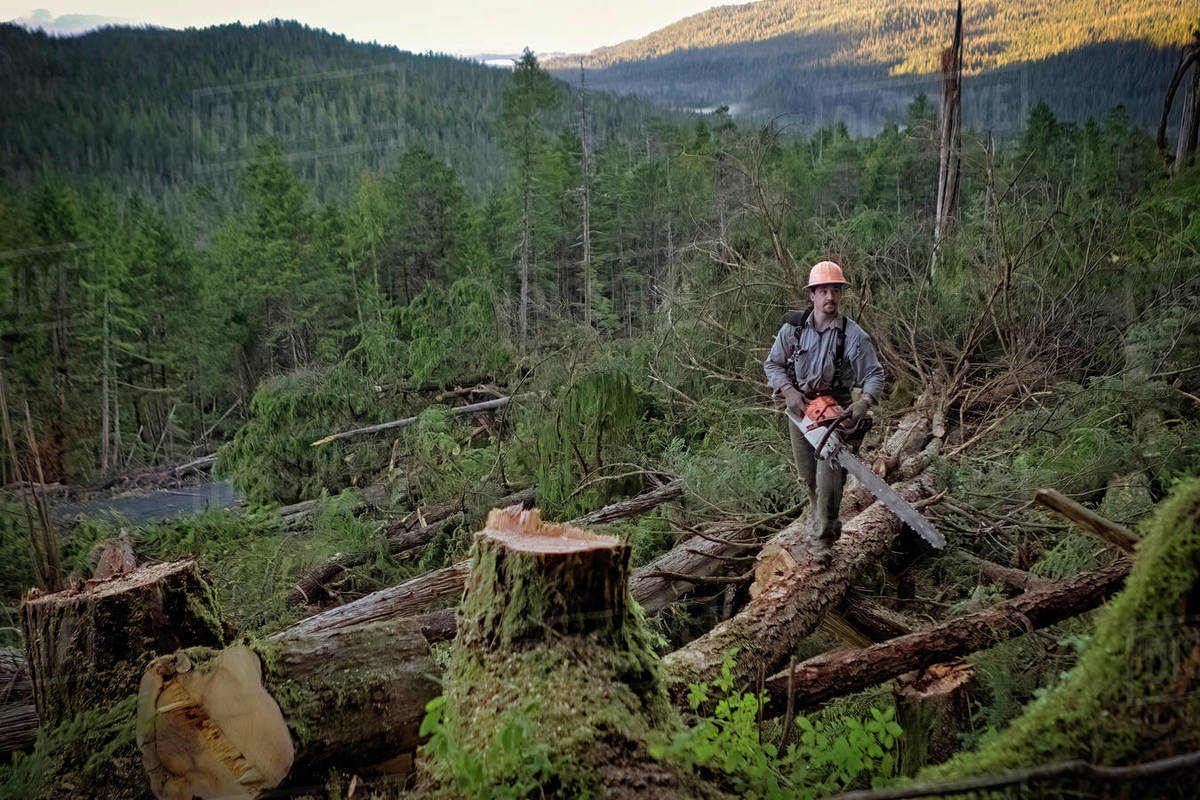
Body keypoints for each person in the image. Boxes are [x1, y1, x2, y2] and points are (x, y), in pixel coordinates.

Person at [763, 260, 885, 552]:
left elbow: (874, 374)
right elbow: (772, 364)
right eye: (823, 291)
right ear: (812, 294)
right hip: (801, 409)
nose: (829, 297)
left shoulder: (852, 335)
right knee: (810, 479)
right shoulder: (792, 331)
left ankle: (824, 541)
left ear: (840, 295)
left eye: (835, 291)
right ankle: (821, 521)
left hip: (835, 411)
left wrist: (864, 402)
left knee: (829, 466)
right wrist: (788, 390)